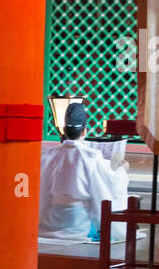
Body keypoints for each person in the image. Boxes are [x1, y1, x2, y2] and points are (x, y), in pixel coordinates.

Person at [39, 103, 129, 241]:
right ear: (84, 131)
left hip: (50, 221)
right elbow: (111, 181)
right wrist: (122, 171)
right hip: (78, 222)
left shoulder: (49, 154)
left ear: (63, 130)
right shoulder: (91, 156)